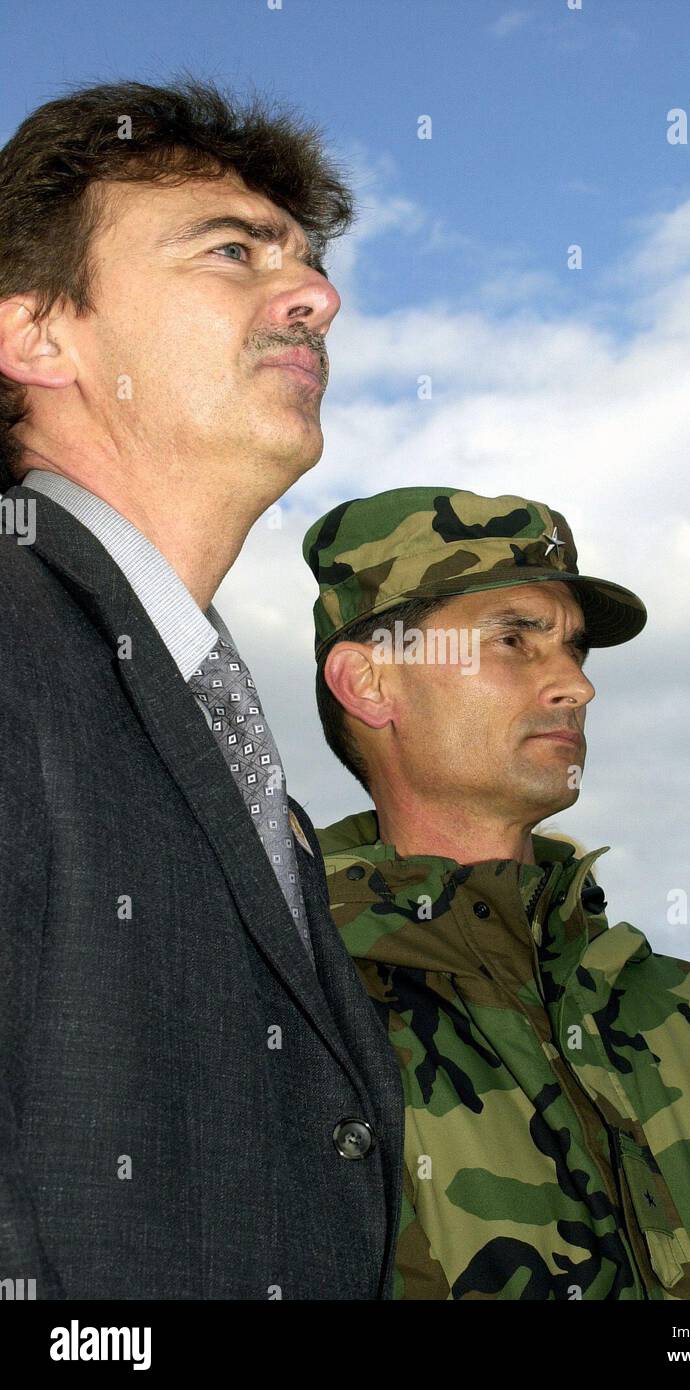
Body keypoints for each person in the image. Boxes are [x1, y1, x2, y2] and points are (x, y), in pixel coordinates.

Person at [0, 78, 402, 1299]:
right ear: (36, 336)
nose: (317, 295)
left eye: (307, 257)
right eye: (233, 249)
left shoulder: (212, 715)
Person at [303, 484, 690, 1299]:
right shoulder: (286, 1006)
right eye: (515, 640)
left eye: (574, 648)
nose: (575, 685)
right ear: (370, 683)